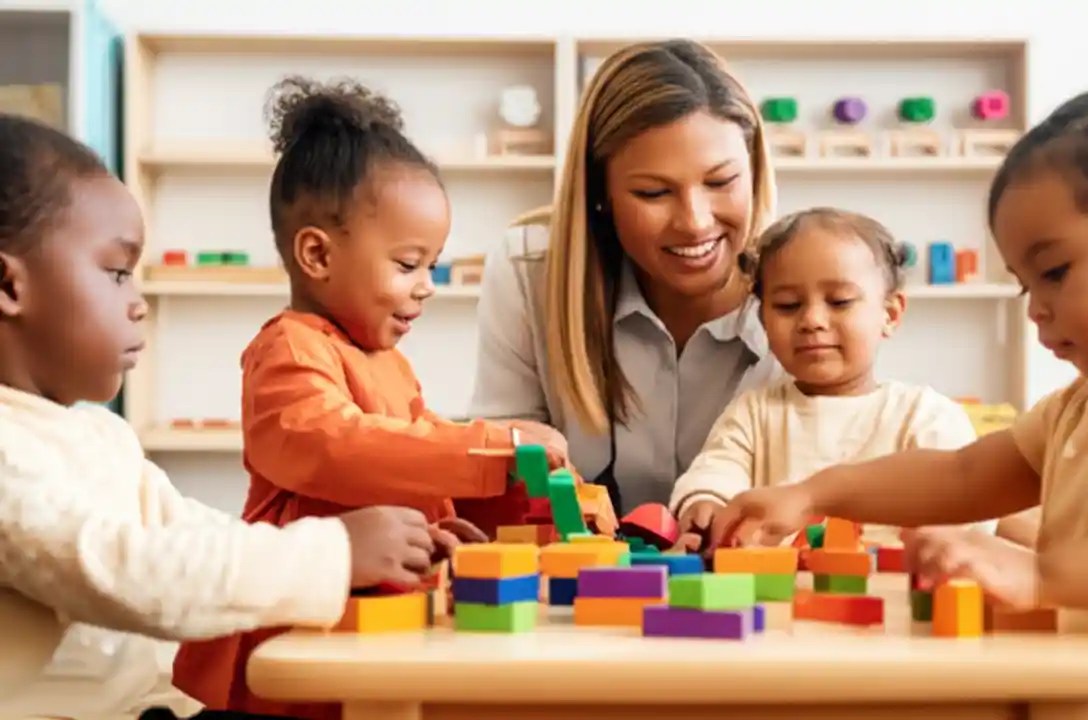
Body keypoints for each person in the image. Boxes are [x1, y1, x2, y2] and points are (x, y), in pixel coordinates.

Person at [712, 80, 1088, 719]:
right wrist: (816, 493)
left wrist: (1042, 577)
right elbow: (961, 474)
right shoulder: (1079, 407)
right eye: (1022, 285)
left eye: (1056, 272)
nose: (1036, 308)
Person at [0, 113, 450, 720]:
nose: (138, 303)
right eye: (116, 273)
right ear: (8, 284)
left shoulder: (99, 434)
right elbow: (131, 573)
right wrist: (333, 551)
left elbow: (195, 536)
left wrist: (400, 544)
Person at [170, 77, 560, 720]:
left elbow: (420, 451)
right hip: (293, 630)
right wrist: (494, 444)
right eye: (409, 265)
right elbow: (333, 448)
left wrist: (468, 506)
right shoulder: (289, 350)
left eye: (432, 267)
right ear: (317, 254)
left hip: (374, 619)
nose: (427, 286)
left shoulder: (390, 364)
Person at [463, 39, 784, 526]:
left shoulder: (807, 286)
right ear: (599, 194)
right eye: (654, 192)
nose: (695, 222)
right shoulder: (529, 267)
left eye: (721, 183)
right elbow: (505, 478)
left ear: (755, 171)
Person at [668, 207, 990, 551]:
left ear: (890, 314)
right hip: (775, 592)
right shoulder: (754, 411)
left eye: (839, 301)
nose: (812, 320)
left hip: (894, 590)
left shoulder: (923, 415)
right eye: (788, 305)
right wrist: (705, 503)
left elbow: (969, 503)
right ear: (763, 321)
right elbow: (717, 469)